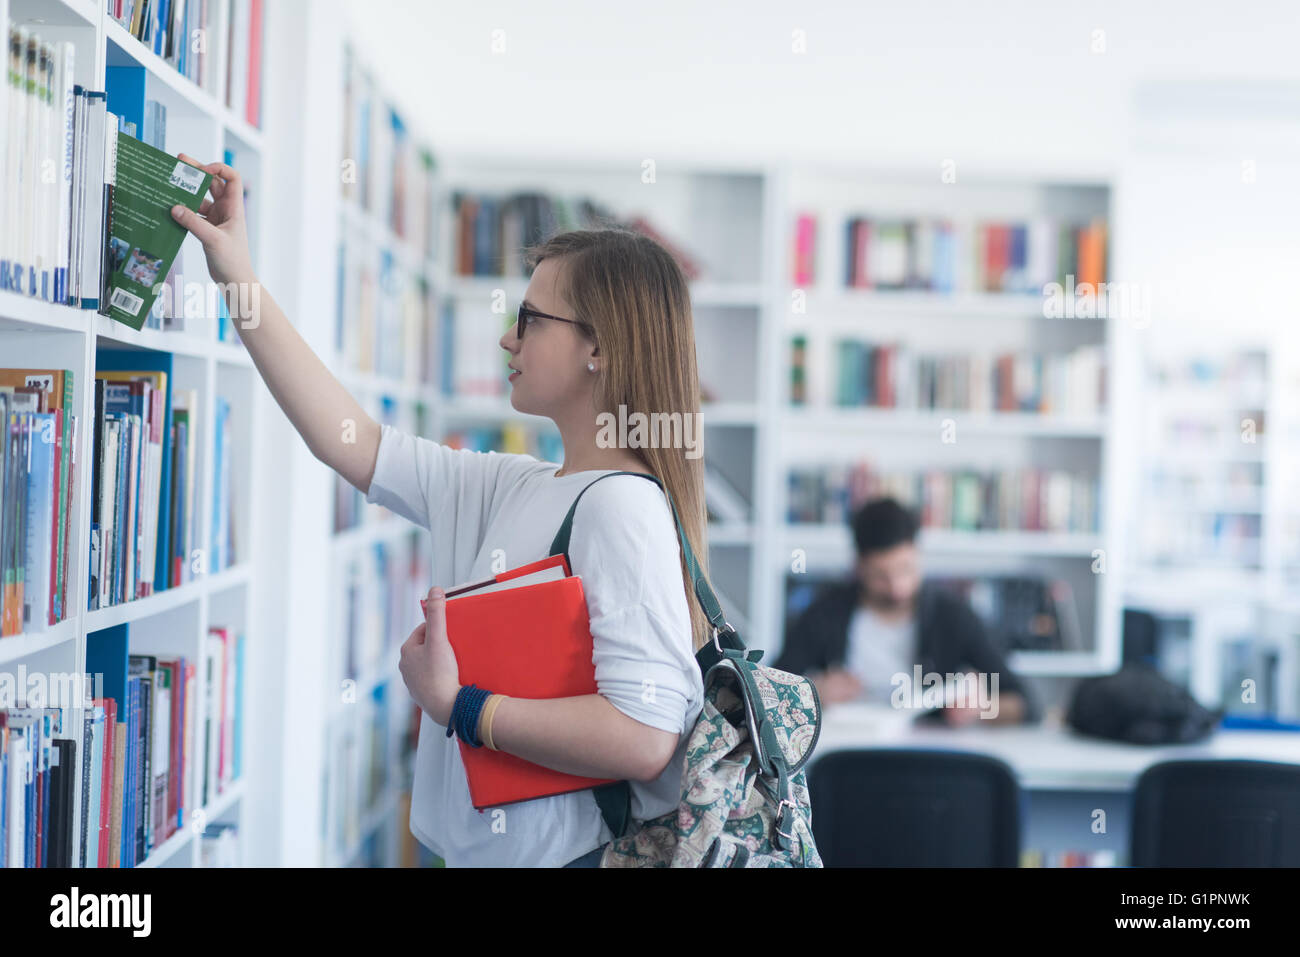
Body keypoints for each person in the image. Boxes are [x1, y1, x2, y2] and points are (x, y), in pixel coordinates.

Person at [170, 156, 707, 867]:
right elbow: (350, 440)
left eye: (530, 319)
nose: (508, 339)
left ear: (598, 347)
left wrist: (461, 703)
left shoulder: (622, 509)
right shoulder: (518, 484)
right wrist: (235, 273)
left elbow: (645, 736)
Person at [773, 497, 1040, 726]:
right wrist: (812, 694)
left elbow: (1026, 704)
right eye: (881, 576)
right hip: (847, 753)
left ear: (918, 555)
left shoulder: (952, 615)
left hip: (927, 756)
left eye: (906, 570)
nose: (897, 588)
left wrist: (983, 708)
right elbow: (767, 696)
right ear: (859, 567)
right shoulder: (825, 613)